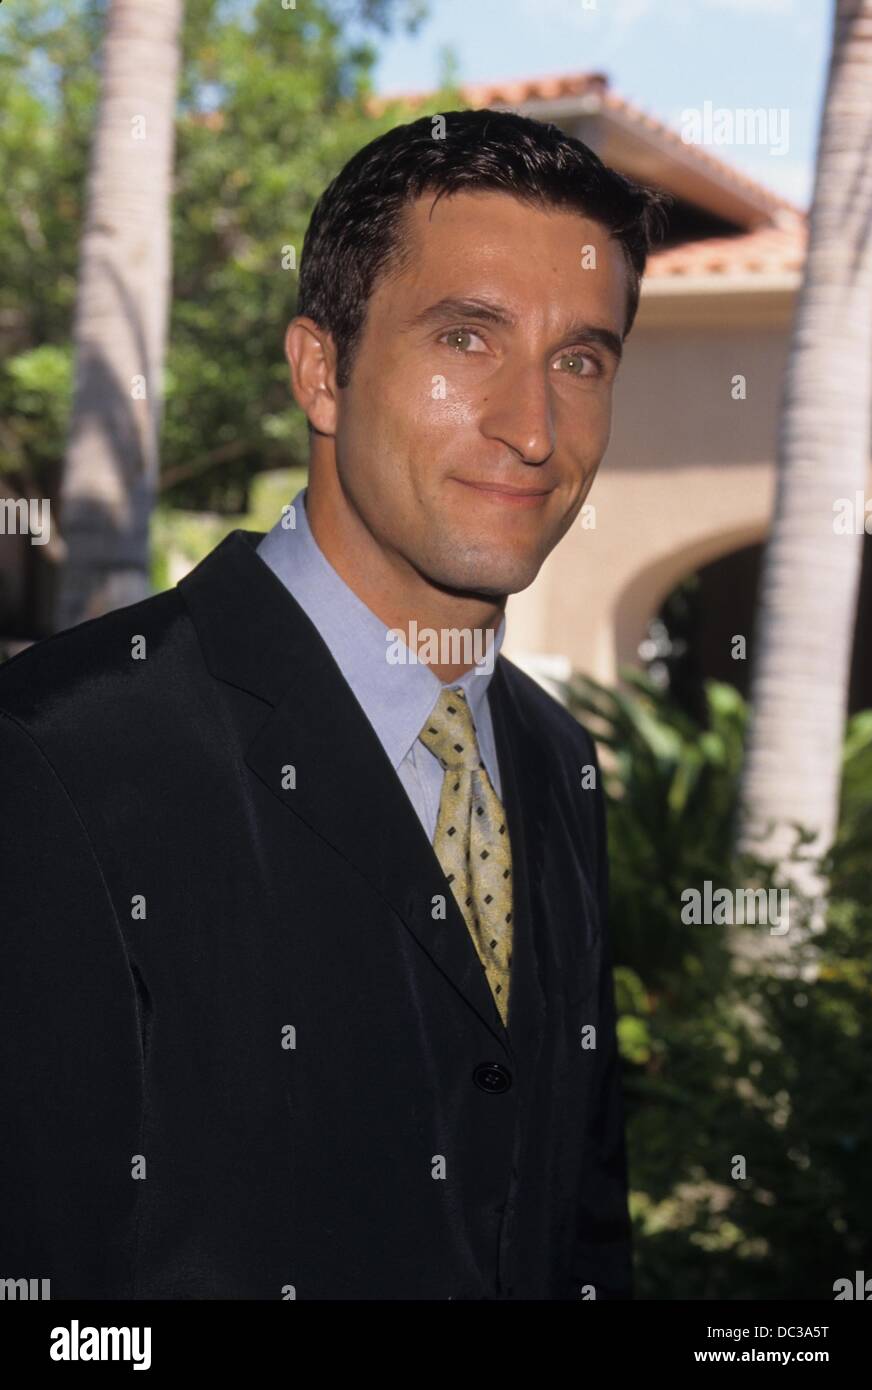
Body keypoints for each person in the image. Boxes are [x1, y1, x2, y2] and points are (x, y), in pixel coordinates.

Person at [0, 108, 668, 1299]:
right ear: (321, 368)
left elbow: (575, 1229)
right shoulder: (64, 752)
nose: (533, 427)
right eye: (467, 338)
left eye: (581, 359)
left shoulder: (555, 759)